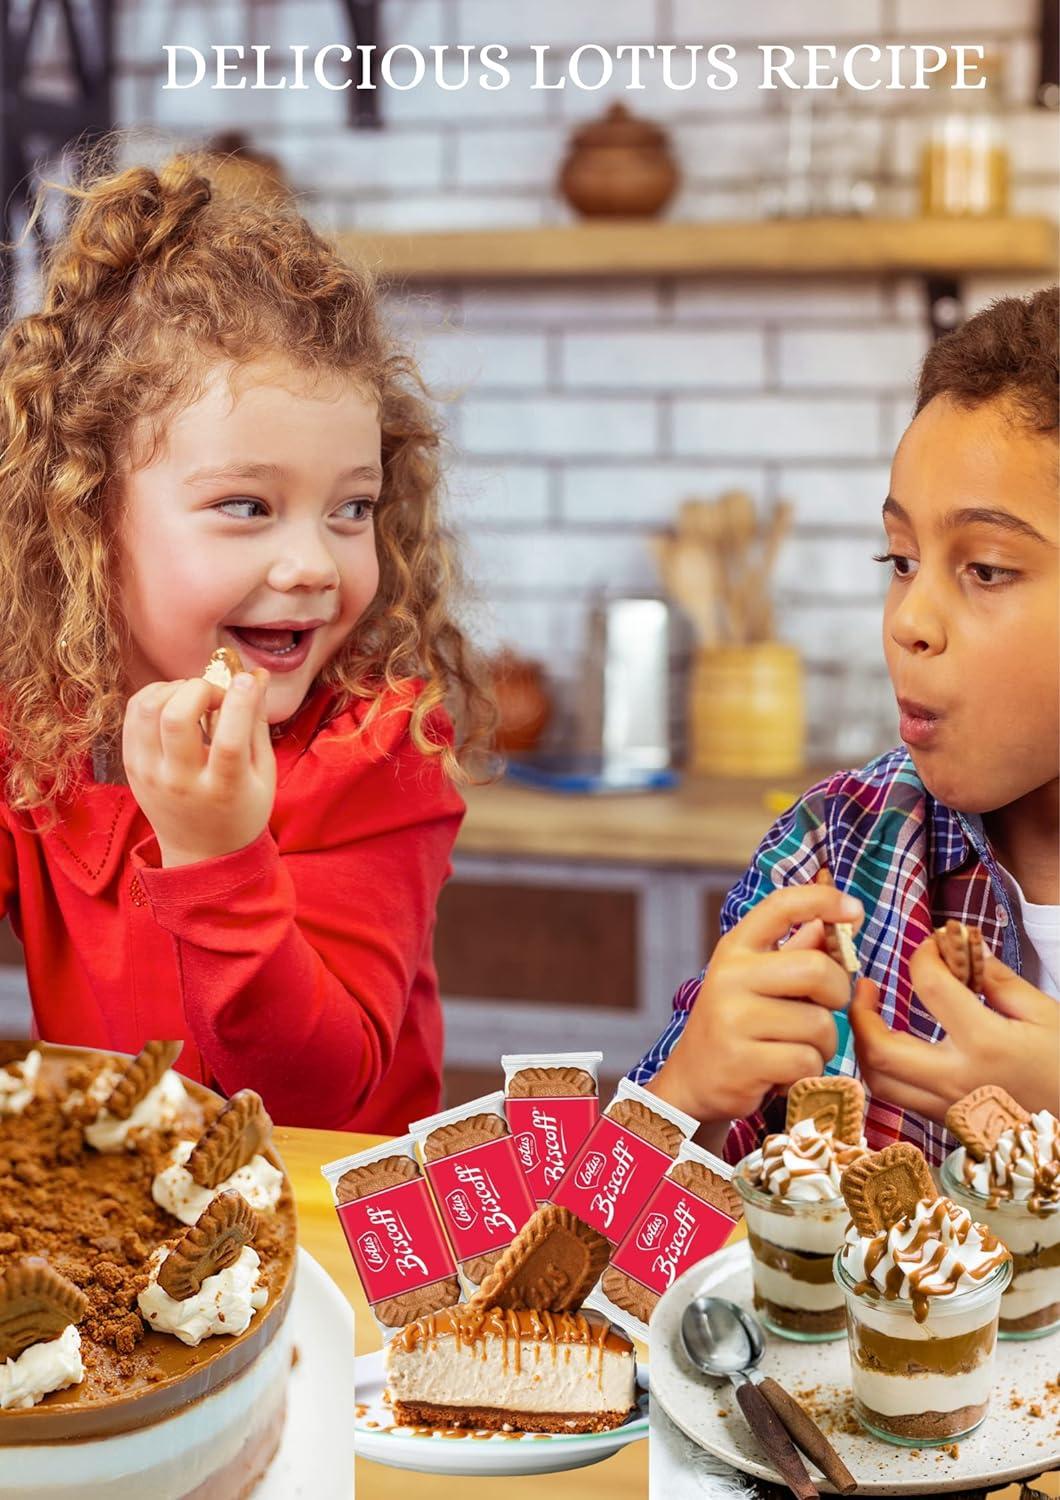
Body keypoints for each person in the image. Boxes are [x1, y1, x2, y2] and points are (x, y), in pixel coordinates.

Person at [0, 149, 492, 1133]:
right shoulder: (41, 728)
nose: (313, 563)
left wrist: (217, 857)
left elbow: (312, 1098)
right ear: (84, 518)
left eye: (352, 508)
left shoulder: (378, 750)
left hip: (327, 1214)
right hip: (126, 1207)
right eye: (247, 506)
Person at [632, 287, 1059, 1166]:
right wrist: (685, 1097)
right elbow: (601, 1233)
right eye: (900, 560)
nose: (909, 620)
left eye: (985, 568)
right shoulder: (835, 848)